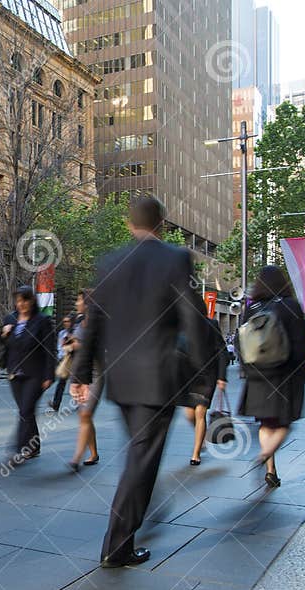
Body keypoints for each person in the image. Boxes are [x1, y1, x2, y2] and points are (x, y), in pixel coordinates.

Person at [71, 195, 209, 568]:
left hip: (121, 378)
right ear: (160, 224)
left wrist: (81, 373)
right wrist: (202, 371)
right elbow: (191, 316)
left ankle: (140, 514)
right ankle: (117, 547)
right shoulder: (175, 258)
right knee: (141, 460)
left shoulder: (109, 263)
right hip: (157, 376)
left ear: (130, 224)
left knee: (139, 454)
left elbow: (93, 323)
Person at [237, 266, 305, 489]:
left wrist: (246, 370)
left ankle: (271, 469)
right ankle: (265, 455)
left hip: (257, 377)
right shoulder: (291, 306)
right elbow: (300, 345)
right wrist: (301, 372)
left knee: (266, 423)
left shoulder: (252, 308)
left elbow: (240, 343)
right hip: (284, 375)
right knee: (284, 423)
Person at [1, 286, 55, 461]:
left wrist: (49, 375)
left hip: (36, 374)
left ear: (32, 301)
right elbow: (6, 347)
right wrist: (5, 334)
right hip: (15, 374)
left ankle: (20, 447)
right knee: (26, 411)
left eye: (25, 300)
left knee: (25, 410)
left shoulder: (42, 320)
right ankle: (34, 446)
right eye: (18, 300)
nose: (21, 304)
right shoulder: (11, 319)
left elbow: (50, 349)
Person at [186, 316, 228, 466]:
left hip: (208, 376)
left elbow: (222, 351)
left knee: (200, 413)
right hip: (189, 376)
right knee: (189, 414)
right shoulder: (183, 323)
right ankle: (202, 435)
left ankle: (195, 454)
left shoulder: (211, 324)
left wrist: (222, 377)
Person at [68, 290, 101, 471]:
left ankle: (76, 458)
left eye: (79, 300)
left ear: (87, 303)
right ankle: (94, 453)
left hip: (97, 373)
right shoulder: (80, 322)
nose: (76, 303)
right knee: (84, 414)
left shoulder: (100, 324)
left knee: (85, 414)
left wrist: (78, 344)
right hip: (81, 371)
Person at [48, 315, 75, 411]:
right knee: (61, 383)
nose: (66, 323)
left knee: (75, 382)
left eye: (68, 321)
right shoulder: (61, 333)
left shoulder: (75, 333)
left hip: (73, 360)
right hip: (64, 360)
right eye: (64, 322)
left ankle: (81, 402)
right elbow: (60, 347)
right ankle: (56, 404)